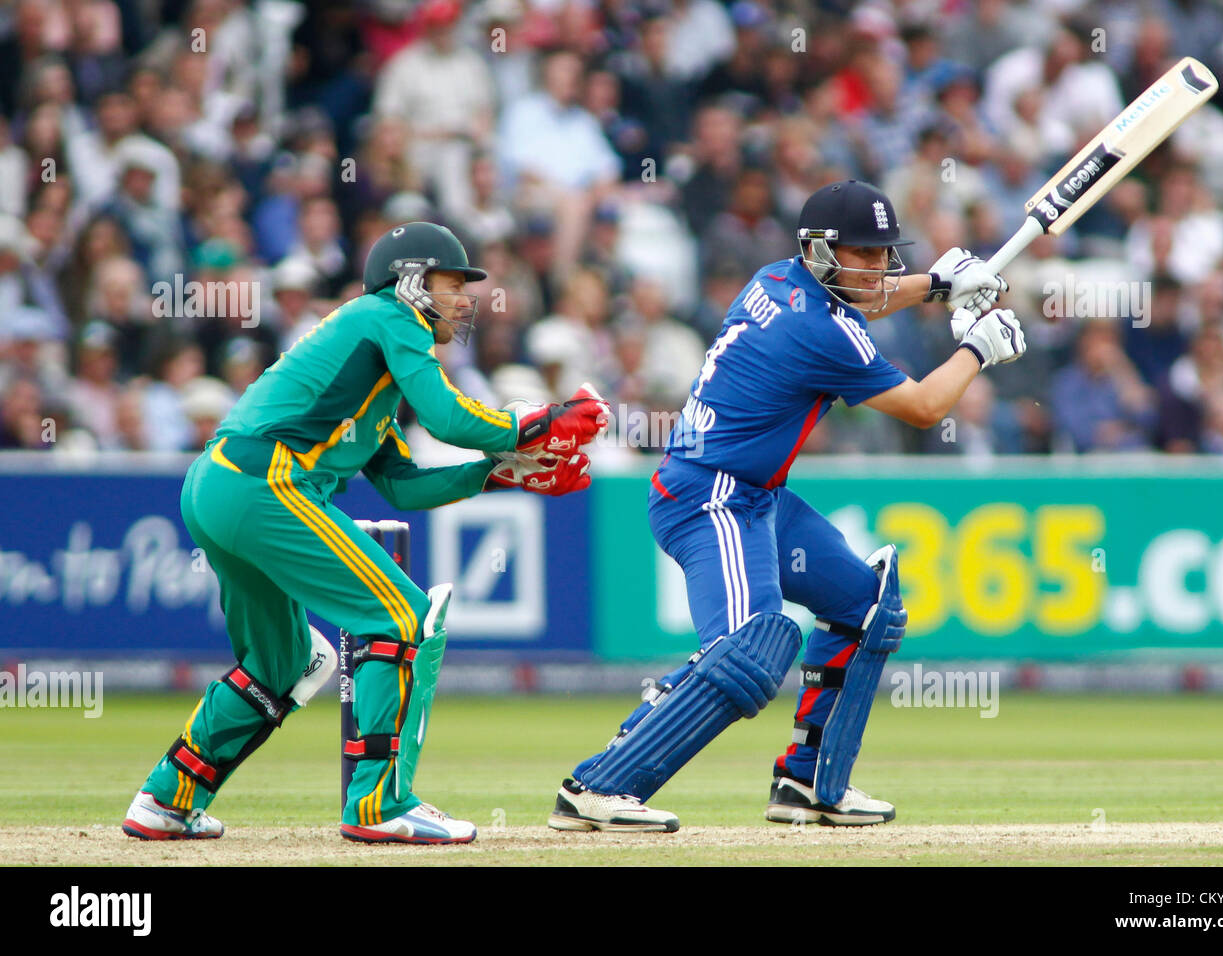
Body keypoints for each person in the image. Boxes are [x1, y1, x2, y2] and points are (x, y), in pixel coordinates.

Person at [547, 181, 1026, 831]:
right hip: (711, 496)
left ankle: (810, 784)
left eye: (885, 253)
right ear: (821, 251)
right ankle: (601, 785)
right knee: (751, 648)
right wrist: (978, 348)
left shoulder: (777, 279)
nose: (881, 267)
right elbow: (923, 407)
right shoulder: (822, 331)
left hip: (751, 494)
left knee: (865, 606)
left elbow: (865, 296)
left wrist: (937, 286)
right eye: (863, 253)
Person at [122, 221, 608, 845]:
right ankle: (378, 805)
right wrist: (535, 422)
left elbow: (404, 486)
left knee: (284, 664)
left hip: (219, 486)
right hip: (262, 481)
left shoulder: (371, 370)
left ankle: (167, 799)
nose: (463, 299)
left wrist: (495, 475)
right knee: (402, 615)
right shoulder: (391, 316)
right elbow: (448, 416)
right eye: (449, 282)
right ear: (409, 283)